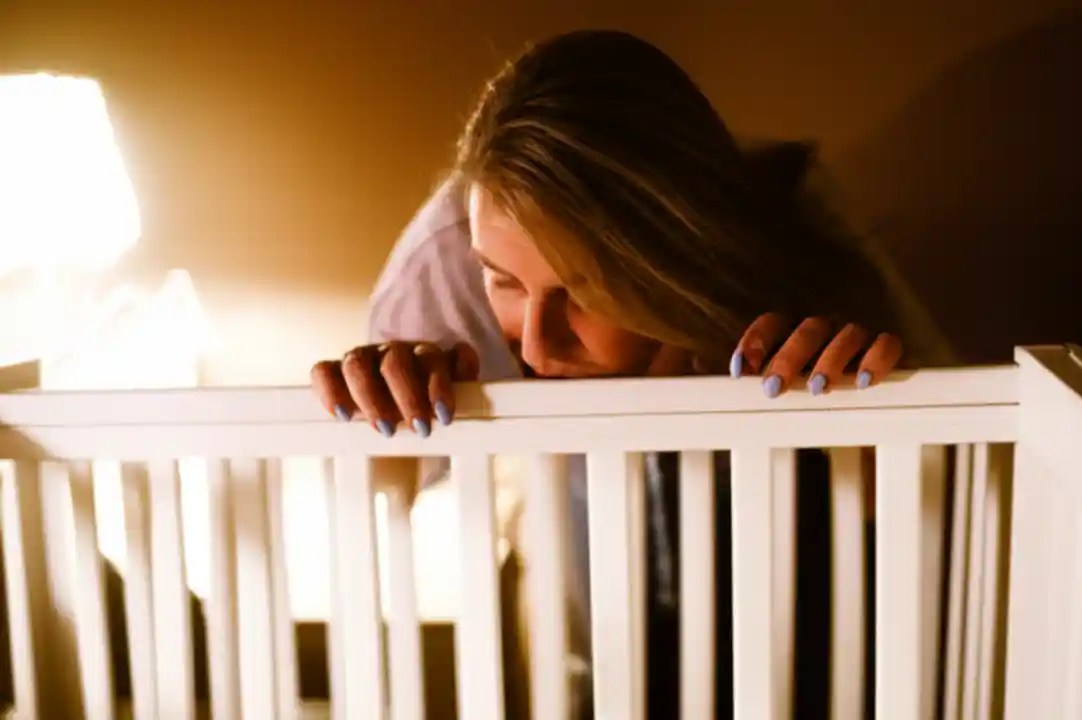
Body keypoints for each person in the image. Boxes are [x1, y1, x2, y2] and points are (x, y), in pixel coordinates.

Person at [311, 29, 951, 718]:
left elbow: (944, 510)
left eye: (585, 291)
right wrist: (375, 408)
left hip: (803, 587)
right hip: (586, 572)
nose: (537, 346)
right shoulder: (446, 256)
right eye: (504, 283)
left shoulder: (791, 224)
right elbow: (380, 493)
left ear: (672, 260)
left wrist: (868, 410)